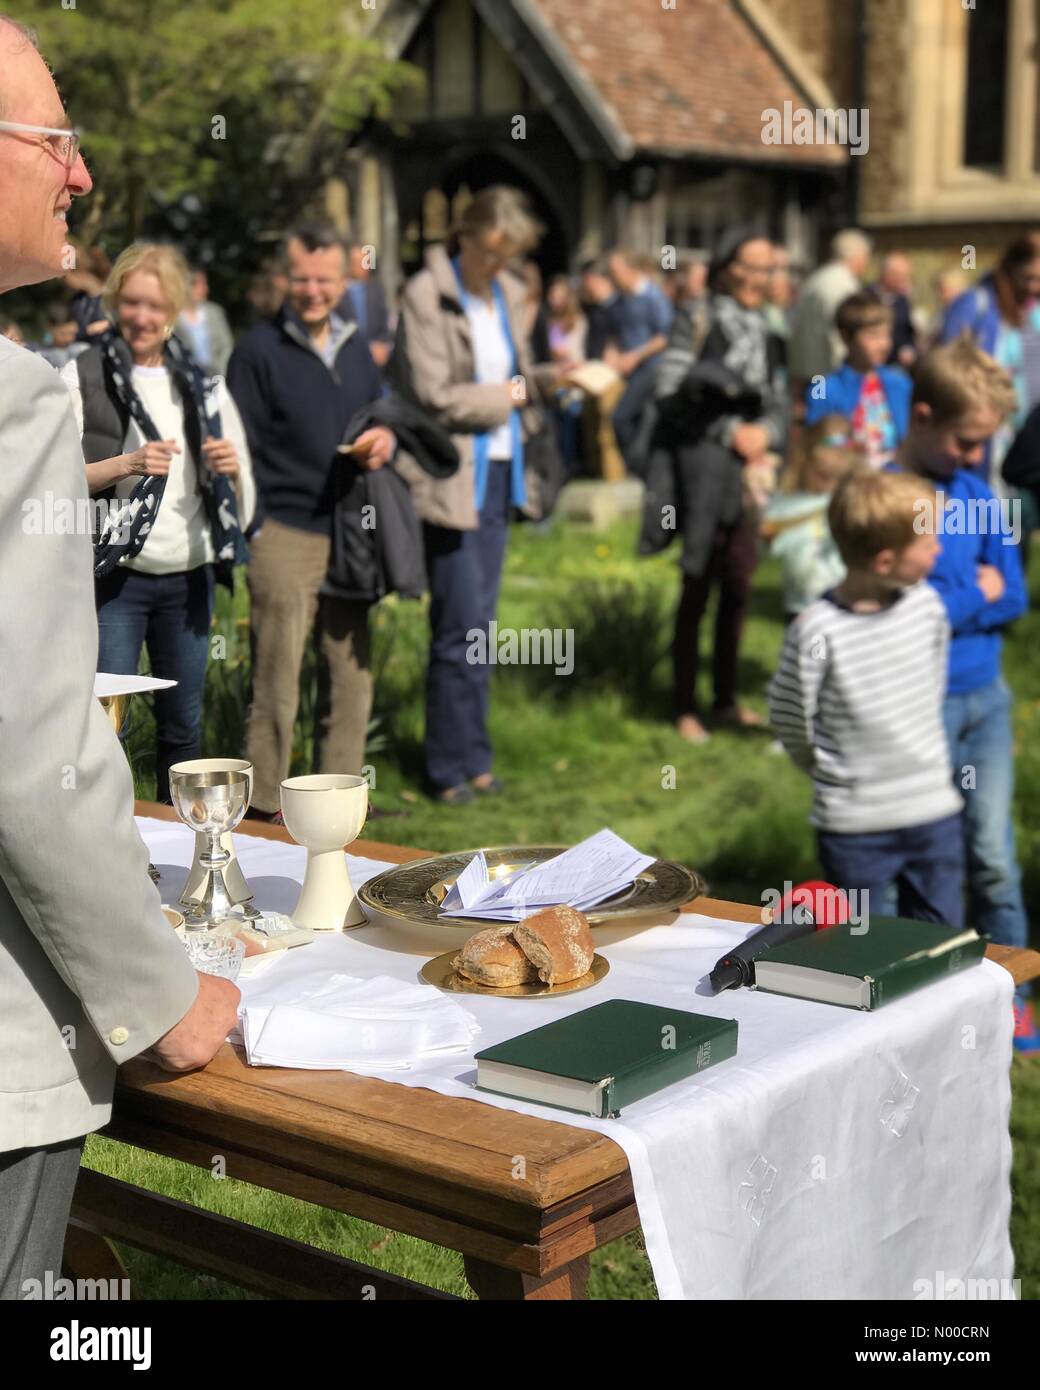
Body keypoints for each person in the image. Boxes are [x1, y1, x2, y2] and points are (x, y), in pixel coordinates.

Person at [0, 13, 237, 1301]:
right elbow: (25, 745)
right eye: (54, 139)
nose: (79, 173)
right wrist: (154, 996)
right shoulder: (17, 396)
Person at [62, 242, 256, 803]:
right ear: (116, 302)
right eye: (132, 303)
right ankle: (110, 855)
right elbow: (51, 480)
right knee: (106, 727)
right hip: (116, 579)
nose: (142, 318)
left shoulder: (204, 385)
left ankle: (180, 855)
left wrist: (232, 472)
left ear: (173, 309)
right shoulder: (82, 373)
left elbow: (243, 501)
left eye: (155, 305)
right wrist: (125, 464)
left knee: (183, 728)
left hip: (189, 578)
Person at [390, 186, 560, 803]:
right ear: (463, 236)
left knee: (481, 627)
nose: (499, 265)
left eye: (508, 254)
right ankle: (445, 768)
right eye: (491, 252)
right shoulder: (424, 294)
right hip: (453, 476)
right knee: (458, 626)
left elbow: (508, 377)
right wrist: (517, 393)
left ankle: (476, 761)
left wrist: (551, 379)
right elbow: (437, 394)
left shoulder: (510, 293)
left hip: (503, 473)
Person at [897, 338, 1037, 1052]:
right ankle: (931, 1007)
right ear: (922, 415)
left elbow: (1011, 592)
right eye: (965, 441)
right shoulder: (887, 499)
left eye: (985, 443)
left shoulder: (980, 495)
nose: (976, 455)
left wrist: (957, 598)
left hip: (984, 697)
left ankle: (1014, 999)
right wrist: (964, 594)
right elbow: (898, 608)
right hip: (917, 706)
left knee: (994, 856)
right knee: (930, 863)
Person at [228, 224, 394, 818]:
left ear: (345, 280)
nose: (312, 291)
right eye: (301, 278)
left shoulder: (355, 348)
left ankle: (339, 802)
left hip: (351, 529)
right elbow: (234, 446)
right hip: (285, 530)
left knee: (350, 675)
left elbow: (380, 413)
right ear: (283, 278)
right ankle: (266, 808)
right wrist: (258, 526)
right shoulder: (256, 352)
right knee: (277, 678)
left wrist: (383, 440)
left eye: (325, 279)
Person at [768, 469, 964, 926]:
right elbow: (790, 713)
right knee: (864, 951)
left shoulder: (928, 606)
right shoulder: (817, 629)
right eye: (928, 540)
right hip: (854, 828)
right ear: (884, 560)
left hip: (933, 812)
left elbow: (931, 687)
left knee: (939, 943)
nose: (938, 547)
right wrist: (823, 769)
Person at [668, 229, 787, 743]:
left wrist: (766, 433)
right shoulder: (698, 317)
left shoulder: (771, 329)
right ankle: (683, 704)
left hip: (749, 474)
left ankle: (724, 698)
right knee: (698, 583)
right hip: (702, 466)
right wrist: (727, 431)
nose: (762, 277)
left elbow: (781, 400)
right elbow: (668, 392)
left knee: (739, 583)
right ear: (728, 266)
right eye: (753, 265)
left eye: (769, 268)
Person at [940, 231, 1040, 505]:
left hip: (1025, 435)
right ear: (1009, 270)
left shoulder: (1032, 311)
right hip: (988, 432)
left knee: (1019, 519)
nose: (1034, 287)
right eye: (1029, 278)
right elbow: (946, 369)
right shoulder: (975, 305)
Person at [761, 415, 860, 620]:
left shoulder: (847, 502)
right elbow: (770, 542)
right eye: (823, 476)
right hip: (799, 602)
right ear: (806, 462)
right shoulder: (789, 502)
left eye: (835, 478)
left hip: (839, 597)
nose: (828, 485)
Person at [805, 291, 912, 469]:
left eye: (886, 335)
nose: (883, 344)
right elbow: (817, 442)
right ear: (846, 337)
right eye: (873, 336)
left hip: (896, 478)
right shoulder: (824, 388)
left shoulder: (900, 383)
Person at [605, 248, 672, 466]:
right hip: (627, 370)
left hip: (650, 368)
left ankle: (637, 468)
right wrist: (613, 353)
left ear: (631, 269)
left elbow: (664, 337)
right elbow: (615, 334)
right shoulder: (620, 300)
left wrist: (635, 356)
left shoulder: (653, 297)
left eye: (616, 271)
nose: (612, 276)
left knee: (622, 417)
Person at [787, 228, 872, 388]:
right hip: (827, 374)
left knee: (816, 408)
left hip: (809, 370)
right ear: (857, 256)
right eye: (866, 257)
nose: (867, 263)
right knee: (826, 411)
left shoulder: (817, 278)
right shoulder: (843, 285)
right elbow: (840, 333)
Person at [336, 241, 394, 371]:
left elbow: (384, 325)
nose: (361, 266)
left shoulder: (376, 290)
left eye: (364, 262)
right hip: (347, 359)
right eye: (356, 262)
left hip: (375, 362)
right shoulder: (337, 291)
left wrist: (382, 346)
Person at [176, 264, 234, 376]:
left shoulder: (215, 312)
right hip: (188, 379)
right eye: (201, 285)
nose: (206, 289)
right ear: (187, 286)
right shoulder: (173, 316)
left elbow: (226, 347)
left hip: (218, 376)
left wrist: (221, 374)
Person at [870, 252, 917, 368]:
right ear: (885, 274)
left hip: (895, 366)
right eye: (898, 274)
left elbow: (906, 331)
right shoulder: (866, 297)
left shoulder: (902, 300)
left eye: (906, 275)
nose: (903, 279)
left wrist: (907, 347)